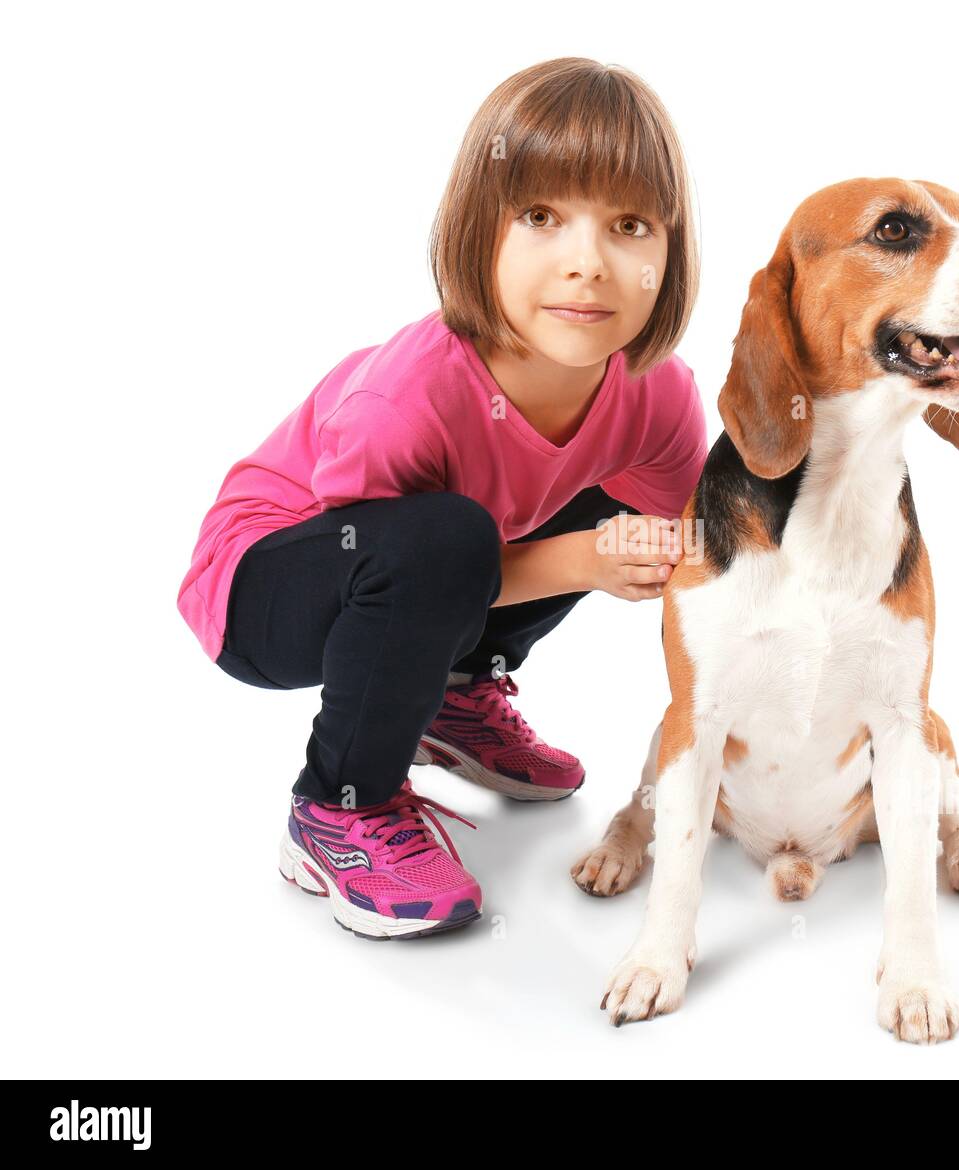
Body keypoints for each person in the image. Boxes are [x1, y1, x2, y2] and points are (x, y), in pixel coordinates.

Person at [176, 58, 706, 940]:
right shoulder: (410, 399)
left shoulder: (655, 392)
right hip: (267, 588)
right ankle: (338, 810)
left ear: (670, 253)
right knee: (449, 539)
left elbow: (699, 544)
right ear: (477, 231)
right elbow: (389, 569)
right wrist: (582, 562)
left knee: (617, 521)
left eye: (630, 225)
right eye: (541, 217)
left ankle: (456, 695)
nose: (588, 263)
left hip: (431, 570)